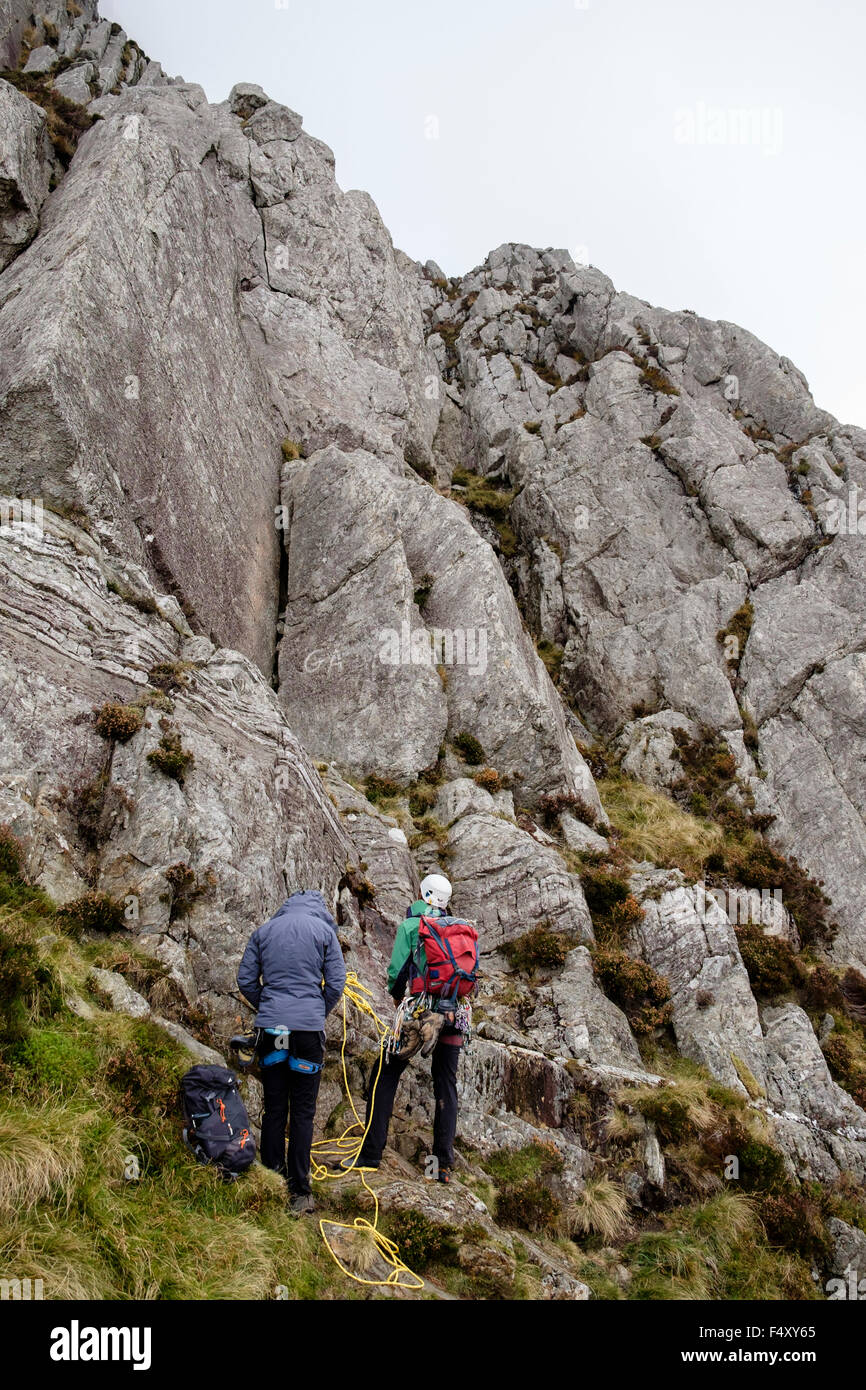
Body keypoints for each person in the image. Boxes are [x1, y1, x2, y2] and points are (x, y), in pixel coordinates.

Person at [349, 872, 467, 1184]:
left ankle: (370, 1156)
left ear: (423, 892)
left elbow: (396, 975)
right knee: (446, 1086)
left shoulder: (411, 925)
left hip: (420, 1011)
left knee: (384, 1075)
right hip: (455, 1014)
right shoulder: (459, 930)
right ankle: (440, 1167)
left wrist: (401, 997)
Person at [237, 888, 346, 1214]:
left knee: (274, 1108)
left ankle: (272, 1179)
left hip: (274, 1030)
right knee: (302, 1112)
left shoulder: (265, 931)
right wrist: (315, 1011)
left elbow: (246, 979)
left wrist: (269, 1007)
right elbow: (337, 982)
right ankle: (299, 1192)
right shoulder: (325, 932)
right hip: (307, 1033)